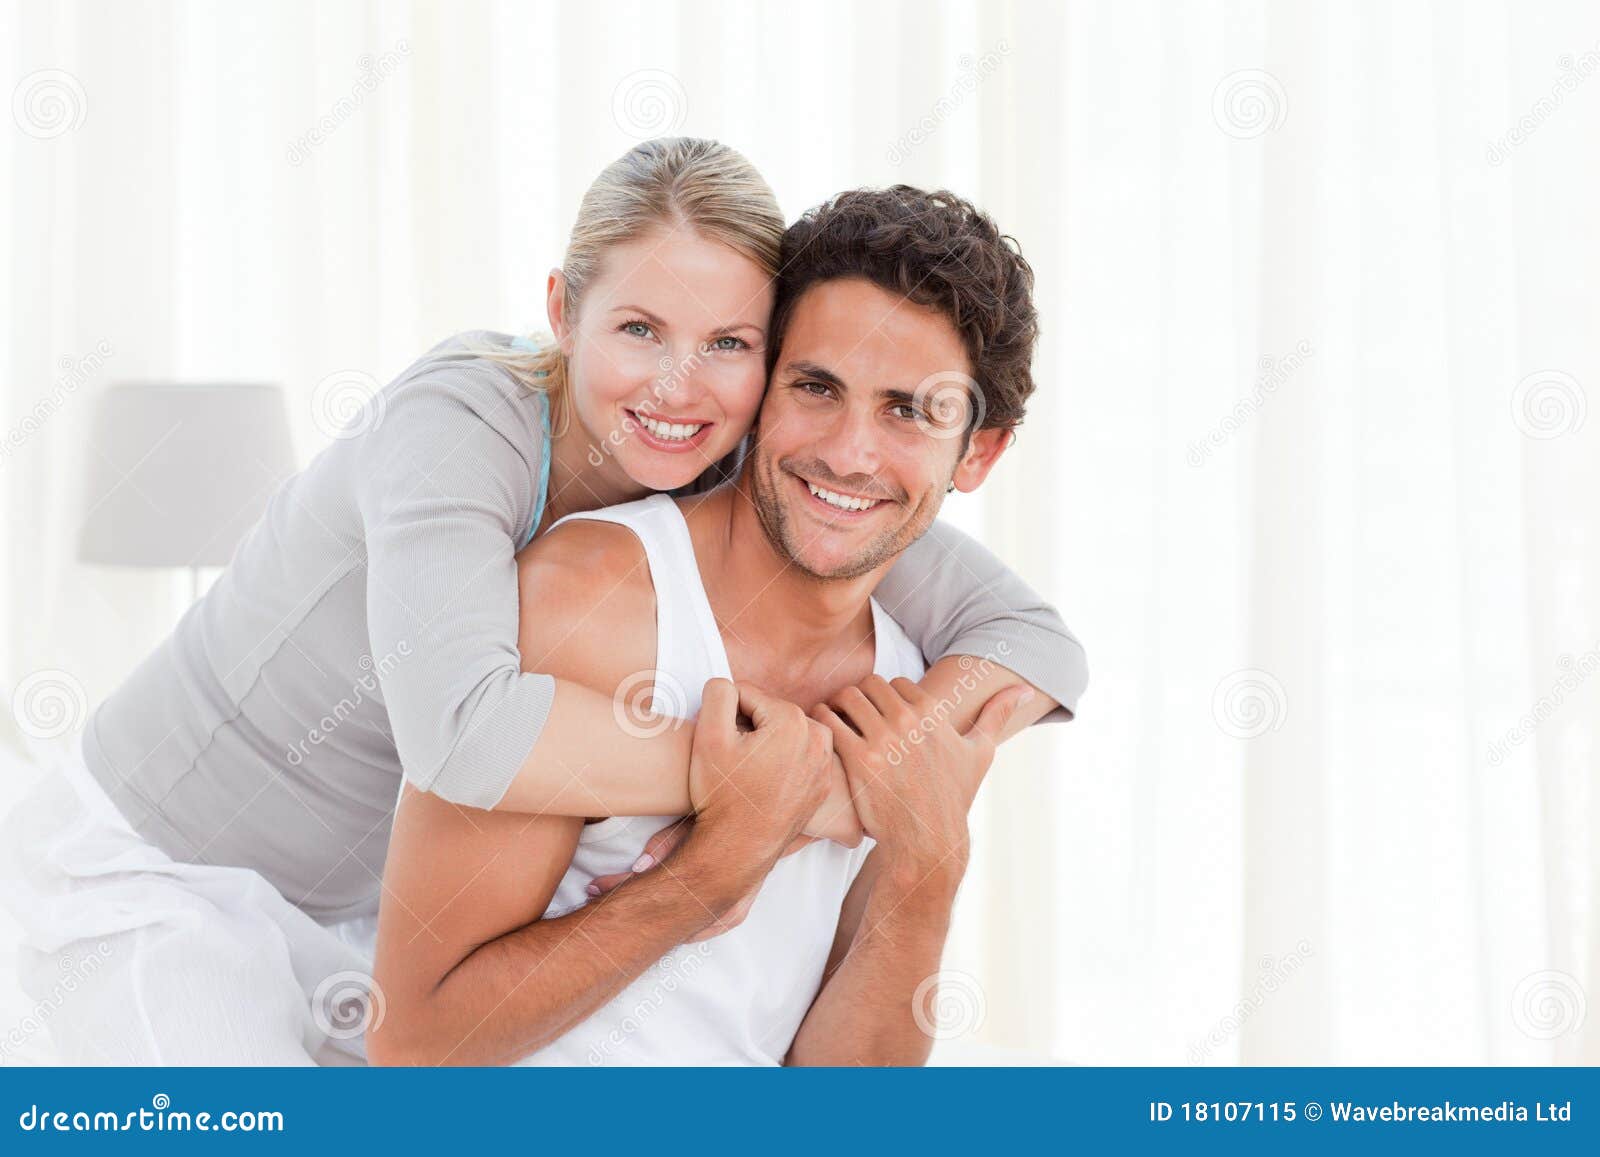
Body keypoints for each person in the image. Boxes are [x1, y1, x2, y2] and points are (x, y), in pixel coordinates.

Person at [0, 140, 1084, 1065]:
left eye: (729, 345)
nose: (677, 385)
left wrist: (909, 815)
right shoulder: (459, 424)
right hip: (165, 873)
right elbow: (462, 729)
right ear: (562, 310)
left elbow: (1031, 639)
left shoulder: (755, 464)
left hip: (352, 906)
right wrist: (787, 789)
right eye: (639, 329)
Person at [365, 185, 1049, 1066]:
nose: (848, 452)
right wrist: (710, 872)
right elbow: (413, 1049)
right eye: (816, 387)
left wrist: (929, 861)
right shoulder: (593, 603)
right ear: (761, 389)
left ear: (982, 453)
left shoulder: (915, 688)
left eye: (909, 411)